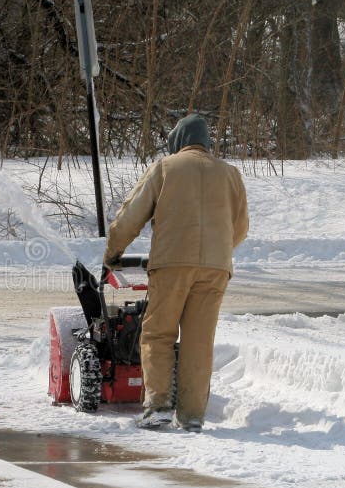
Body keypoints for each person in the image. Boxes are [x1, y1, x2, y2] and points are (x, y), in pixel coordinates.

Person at [103, 114, 248, 432]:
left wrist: (113, 252)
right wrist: (216, 252)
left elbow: (131, 216)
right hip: (216, 268)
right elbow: (240, 227)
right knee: (199, 340)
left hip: (171, 264)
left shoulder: (165, 168)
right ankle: (192, 416)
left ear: (177, 141)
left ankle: (157, 407)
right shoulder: (230, 174)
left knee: (158, 333)